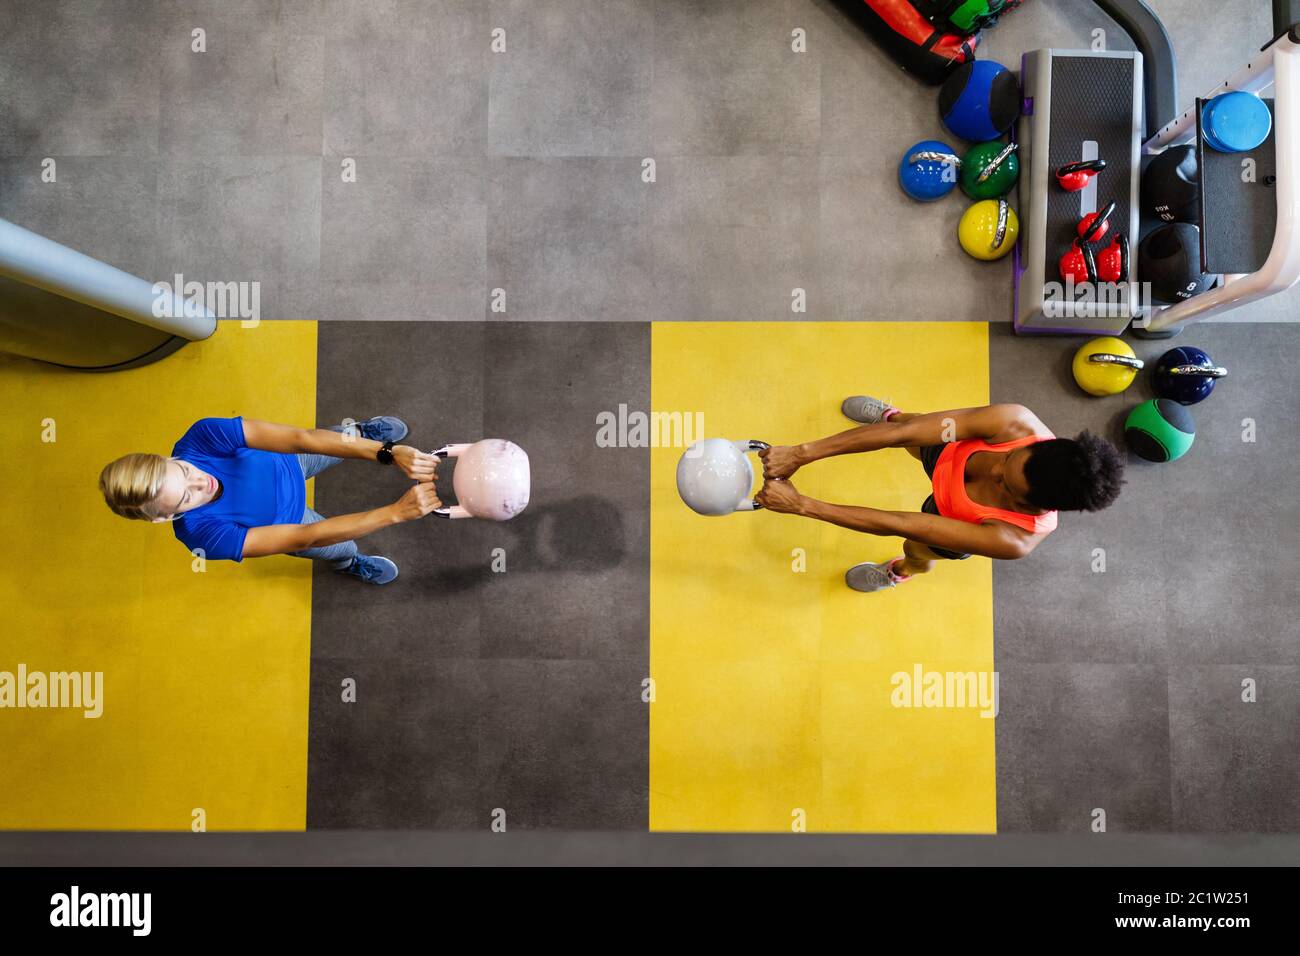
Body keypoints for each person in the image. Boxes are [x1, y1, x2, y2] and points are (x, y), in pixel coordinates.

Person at [755, 395, 1125, 592]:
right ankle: (888, 413)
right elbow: (909, 435)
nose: (995, 469)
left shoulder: (1014, 539)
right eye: (1008, 458)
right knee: (905, 427)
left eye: (1005, 485)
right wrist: (800, 454)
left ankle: (897, 575)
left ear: (1031, 504)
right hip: (947, 450)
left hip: (948, 517)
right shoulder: (1014, 422)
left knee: (914, 550)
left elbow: (905, 523)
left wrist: (801, 504)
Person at [97, 416, 441, 584]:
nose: (202, 481)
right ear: (163, 518)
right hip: (294, 523)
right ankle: (350, 564)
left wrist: (387, 453)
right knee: (342, 548)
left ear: (167, 458)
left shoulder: (202, 436)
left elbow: (300, 439)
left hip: (293, 460)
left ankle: (363, 433)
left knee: (337, 441)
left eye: (184, 471)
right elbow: (305, 537)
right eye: (187, 496)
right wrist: (397, 512)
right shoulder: (203, 538)